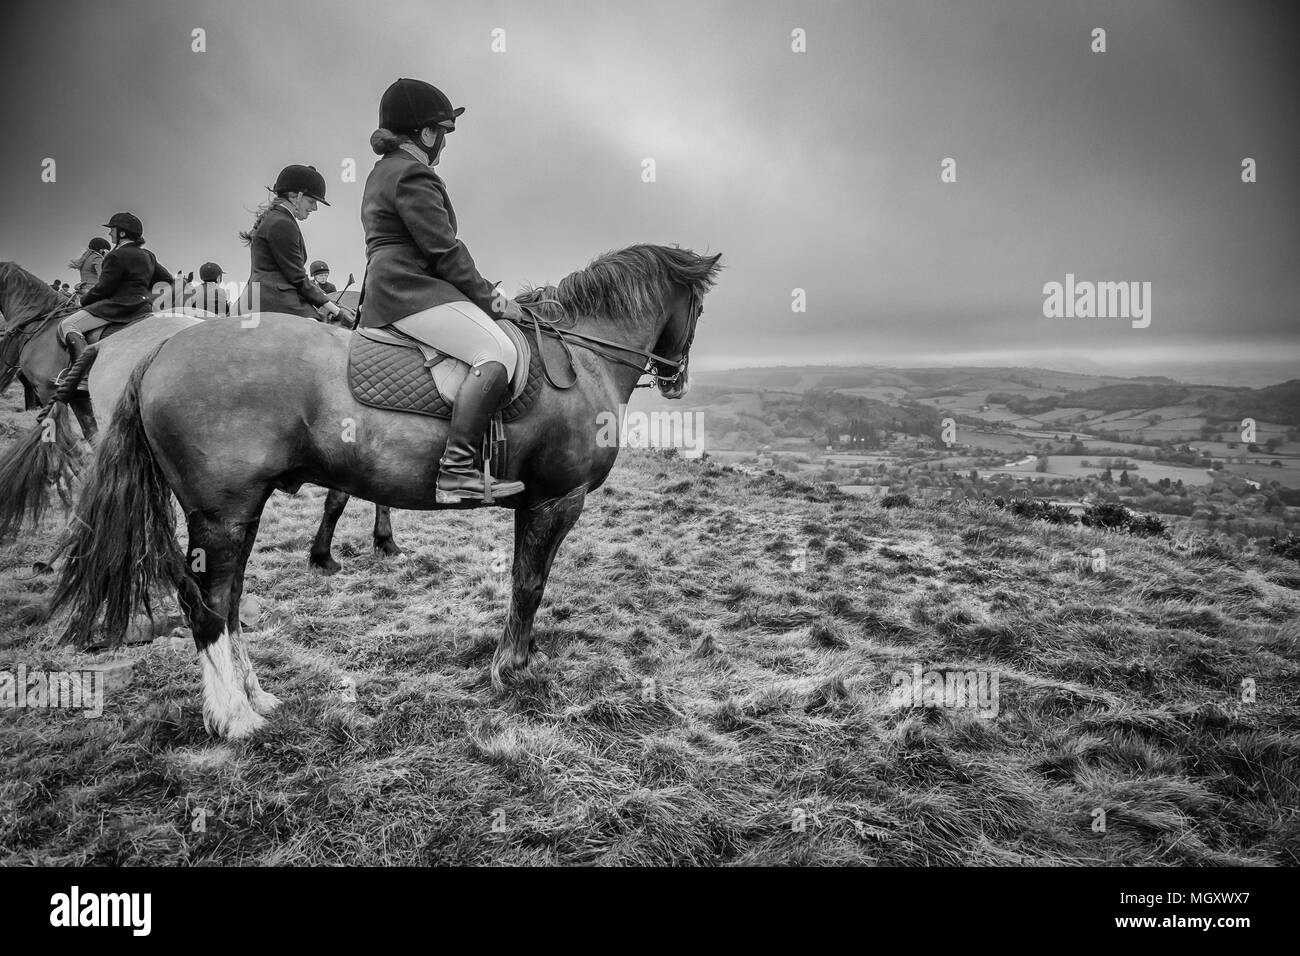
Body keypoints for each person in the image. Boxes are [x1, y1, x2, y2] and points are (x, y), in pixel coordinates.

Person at [359, 78, 527, 501]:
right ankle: (455, 472)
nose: (445, 145)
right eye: (444, 133)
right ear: (427, 133)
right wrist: (493, 300)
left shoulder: (385, 170)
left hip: (392, 285)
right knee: (498, 352)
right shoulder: (412, 173)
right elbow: (444, 251)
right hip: (409, 290)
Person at [53, 212, 173, 383]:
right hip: (142, 307)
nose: (110, 234)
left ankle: (83, 376)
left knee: (68, 323)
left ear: (122, 233)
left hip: (117, 308)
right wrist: (146, 296)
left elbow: (103, 288)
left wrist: (83, 300)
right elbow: (167, 279)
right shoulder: (148, 255)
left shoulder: (115, 256)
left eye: (112, 230)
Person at [238, 165, 350, 324]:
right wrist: (336, 310)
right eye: (311, 201)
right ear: (293, 196)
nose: (315, 208)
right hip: (276, 299)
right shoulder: (282, 223)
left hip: (265, 296)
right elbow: (297, 277)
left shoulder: (275, 218)